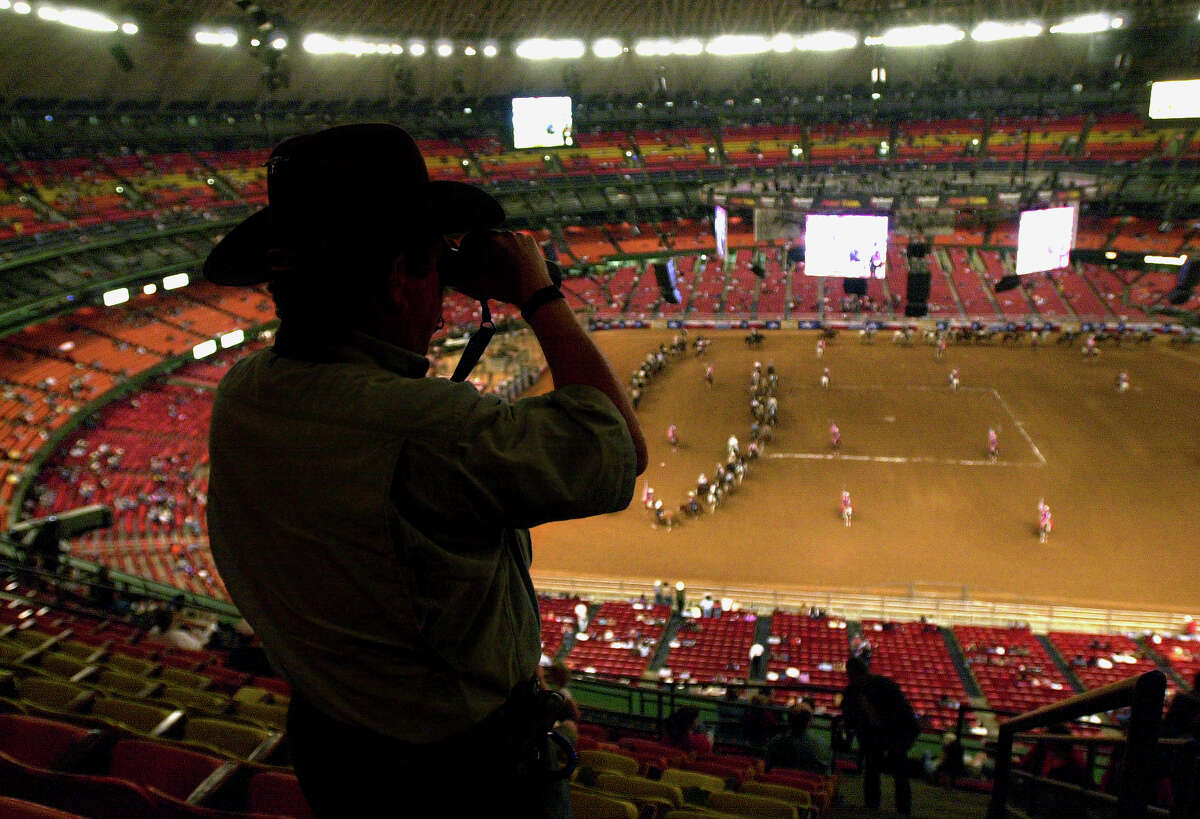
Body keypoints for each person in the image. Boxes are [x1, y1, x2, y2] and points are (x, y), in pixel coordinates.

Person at [203, 124, 646, 818]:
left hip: (331, 742)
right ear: (398, 279)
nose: (446, 292)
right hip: (462, 777)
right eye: (436, 264)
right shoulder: (426, 429)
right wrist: (538, 292)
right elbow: (617, 446)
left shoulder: (241, 394)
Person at [842, 656, 920, 815]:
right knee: (895, 776)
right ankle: (902, 811)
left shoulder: (854, 690)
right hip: (888, 735)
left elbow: (849, 719)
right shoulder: (884, 685)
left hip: (886, 735)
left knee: (875, 773)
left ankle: (873, 808)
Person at [766, 703, 831, 775]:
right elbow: (825, 773)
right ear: (809, 722)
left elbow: (768, 767)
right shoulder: (821, 745)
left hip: (778, 782)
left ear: (788, 720)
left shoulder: (775, 742)